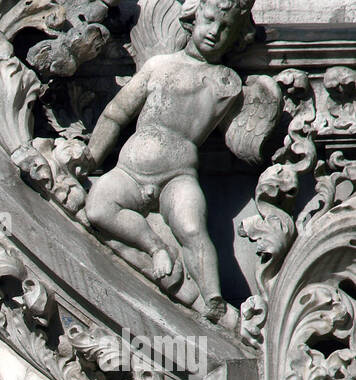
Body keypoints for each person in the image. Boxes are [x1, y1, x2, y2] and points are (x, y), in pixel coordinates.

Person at [81, 0, 276, 323]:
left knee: (191, 227)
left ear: (238, 35)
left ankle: (213, 298)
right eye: (210, 19)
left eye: (226, 27)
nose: (215, 32)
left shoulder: (227, 83)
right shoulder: (160, 66)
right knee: (99, 206)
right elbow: (116, 114)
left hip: (178, 176)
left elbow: (240, 139)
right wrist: (92, 157)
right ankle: (156, 246)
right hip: (131, 169)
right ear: (192, 18)